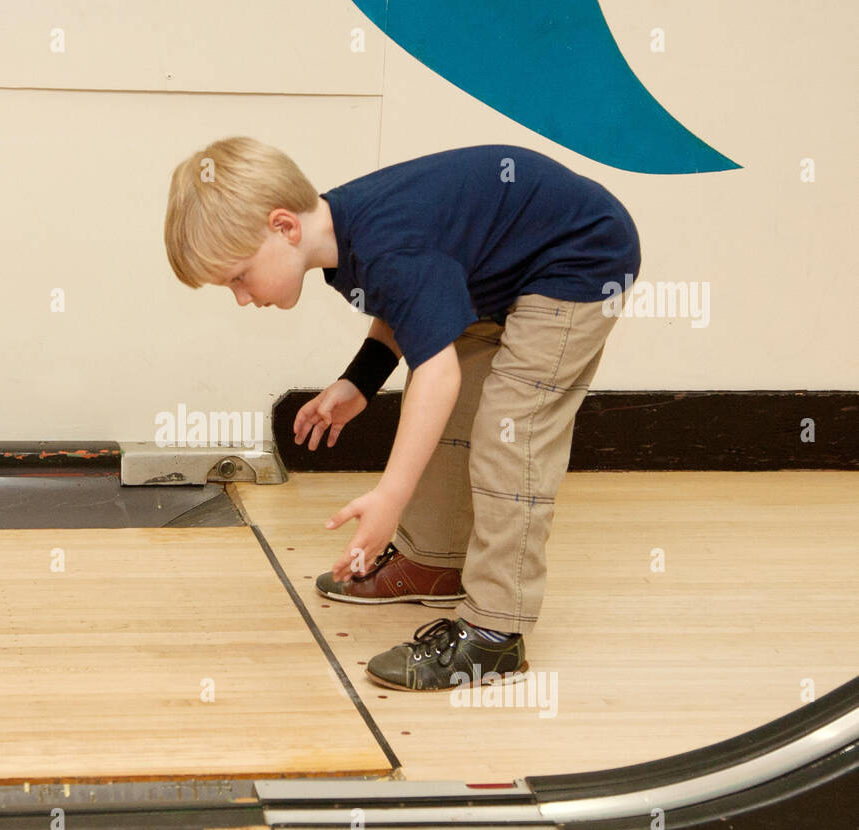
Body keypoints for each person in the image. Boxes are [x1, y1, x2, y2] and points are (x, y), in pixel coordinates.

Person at [164, 137, 641, 691]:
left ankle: (495, 635)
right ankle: (435, 562)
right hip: (500, 271)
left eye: (238, 277)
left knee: (509, 434)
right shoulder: (349, 231)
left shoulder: (385, 243)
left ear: (283, 227)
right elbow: (411, 302)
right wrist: (361, 379)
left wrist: (388, 499)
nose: (242, 298)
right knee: (446, 410)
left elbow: (436, 365)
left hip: (578, 260)